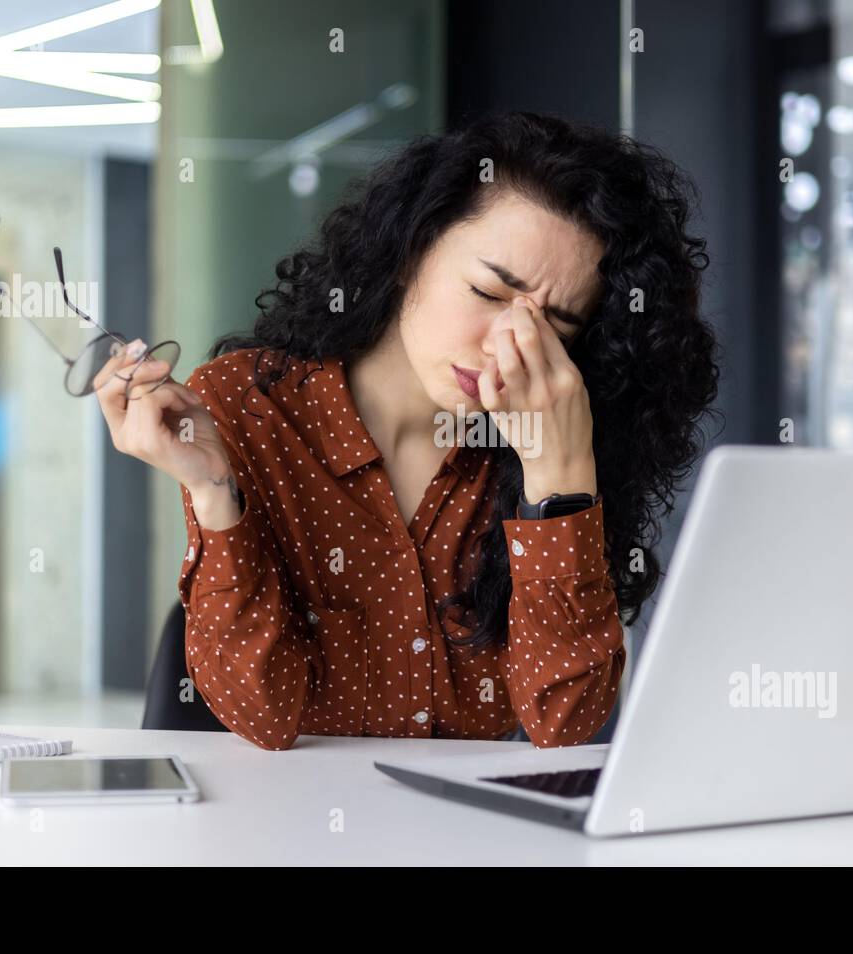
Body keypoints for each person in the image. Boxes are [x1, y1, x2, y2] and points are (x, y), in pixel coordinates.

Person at [95, 111, 720, 750]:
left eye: (555, 324)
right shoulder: (248, 405)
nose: (511, 346)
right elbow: (263, 716)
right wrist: (213, 489)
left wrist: (559, 481)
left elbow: (565, 725)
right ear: (408, 254)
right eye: (487, 292)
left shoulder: (562, 437)